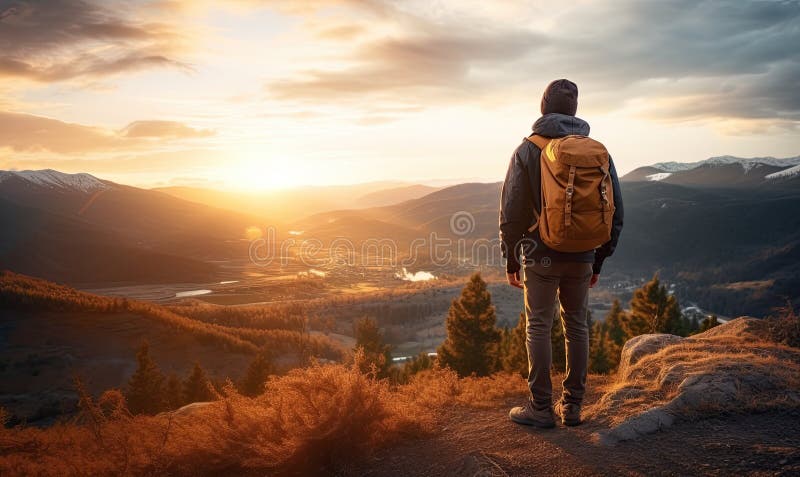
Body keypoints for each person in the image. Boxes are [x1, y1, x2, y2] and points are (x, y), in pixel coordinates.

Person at [499, 79, 623, 428]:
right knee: (577, 326)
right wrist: (598, 258)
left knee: (538, 325)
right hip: (583, 254)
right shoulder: (598, 152)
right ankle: (573, 407)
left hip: (540, 253)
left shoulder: (528, 149)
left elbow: (511, 211)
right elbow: (617, 211)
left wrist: (511, 258)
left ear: (543, 105)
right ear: (575, 110)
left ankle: (540, 409)